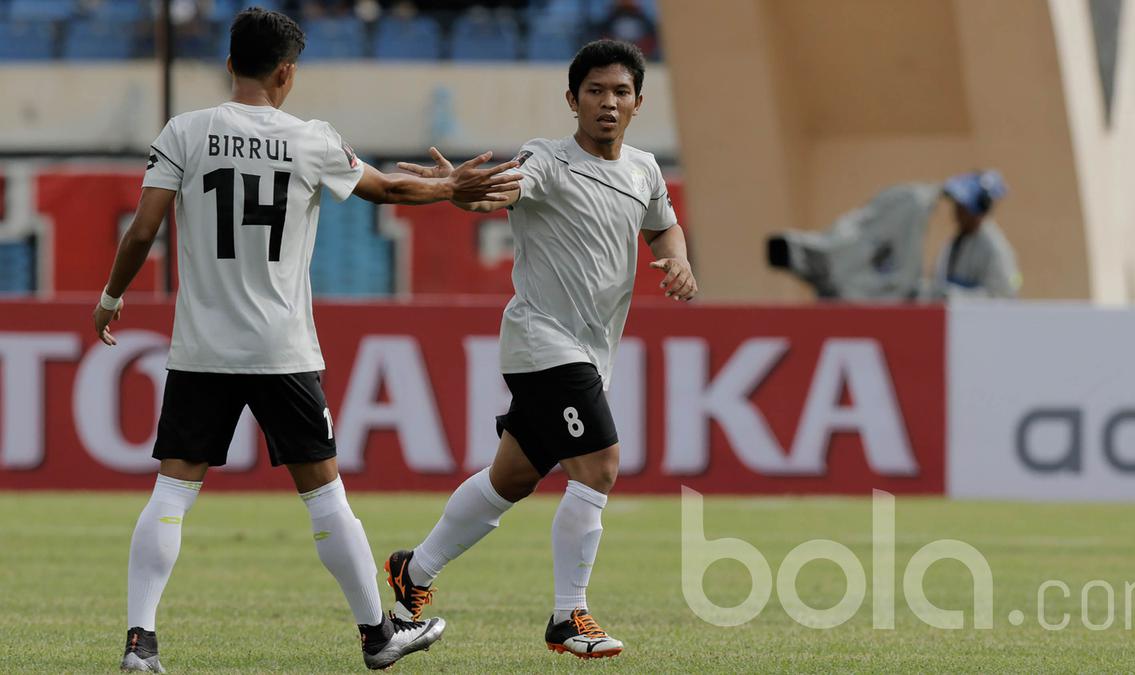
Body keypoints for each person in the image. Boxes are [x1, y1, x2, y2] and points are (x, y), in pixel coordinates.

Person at [92, 8, 520, 672]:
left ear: (229, 63)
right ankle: (377, 634)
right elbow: (385, 190)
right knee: (325, 497)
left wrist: (112, 296)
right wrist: (449, 188)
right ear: (287, 72)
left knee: (171, 492)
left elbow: (144, 229)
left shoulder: (185, 131)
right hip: (282, 350)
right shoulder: (310, 139)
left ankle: (141, 641)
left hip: (202, 348)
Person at [379, 39, 696, 660]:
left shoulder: (644, 170)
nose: (608, 103)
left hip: (589, 351)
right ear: (572, 100)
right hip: (543, 342)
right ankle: (567, 617)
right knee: (600, 464)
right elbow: (495, 194)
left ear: (638, 102)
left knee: (511, 479)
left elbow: (662, 224)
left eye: (621, 92)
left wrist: (677, 260)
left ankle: (413, 571)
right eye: (595, 92)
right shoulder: (547, 161)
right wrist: (456, 188)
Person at [931, 170, 1021, 299]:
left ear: (979, 209)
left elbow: (1003, 296)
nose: (956, 213)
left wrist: (953, 296)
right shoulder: (954, 243)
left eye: (962, 207)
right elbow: (938, 280)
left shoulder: (995, 248)